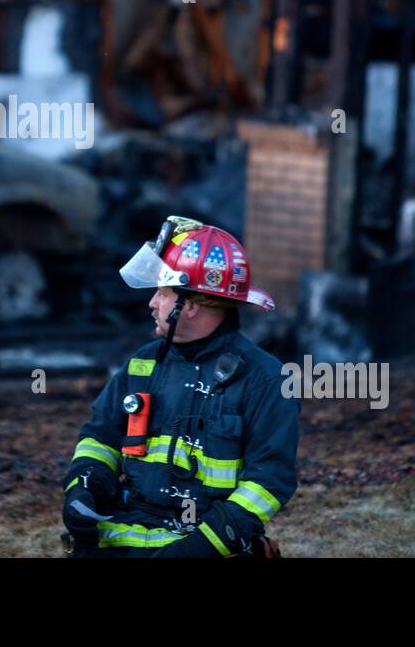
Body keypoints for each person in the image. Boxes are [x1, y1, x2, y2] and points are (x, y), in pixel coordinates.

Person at [61, 216, 299, 557]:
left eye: (162, 291)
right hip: (123, 533)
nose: (152, 303)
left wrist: (198, 548)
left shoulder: (265, 380)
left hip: (209, 543)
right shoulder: (143, 365)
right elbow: (100, 438)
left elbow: (268, 482)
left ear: (190, 306)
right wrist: (83, 489)